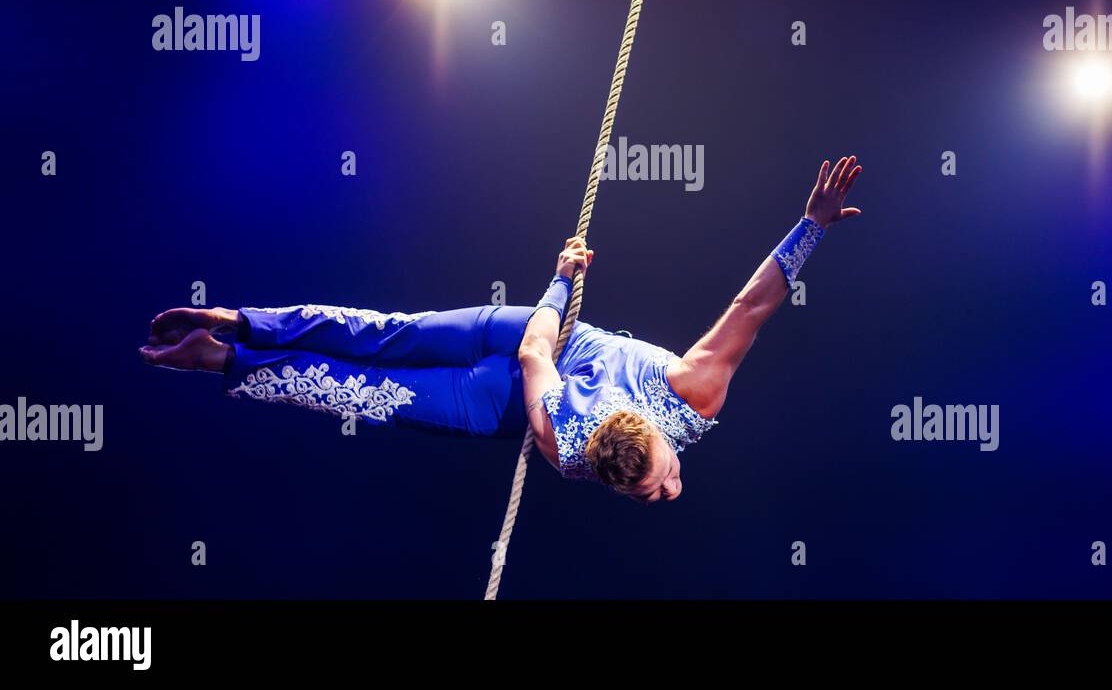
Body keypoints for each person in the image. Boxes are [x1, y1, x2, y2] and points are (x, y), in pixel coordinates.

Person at [140, 156, 862, 502]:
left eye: (652, 486)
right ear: (652, 437)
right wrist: (811, 227)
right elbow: (750, 308)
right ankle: (232, 336)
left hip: (521, 374)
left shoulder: (577, 438)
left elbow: (535, 352)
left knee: (381, 352)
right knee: (373, 374)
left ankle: (228, 342)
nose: (672, 486)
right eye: (667, 477)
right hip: (529, 354)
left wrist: (561, 282)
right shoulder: (686, 395)